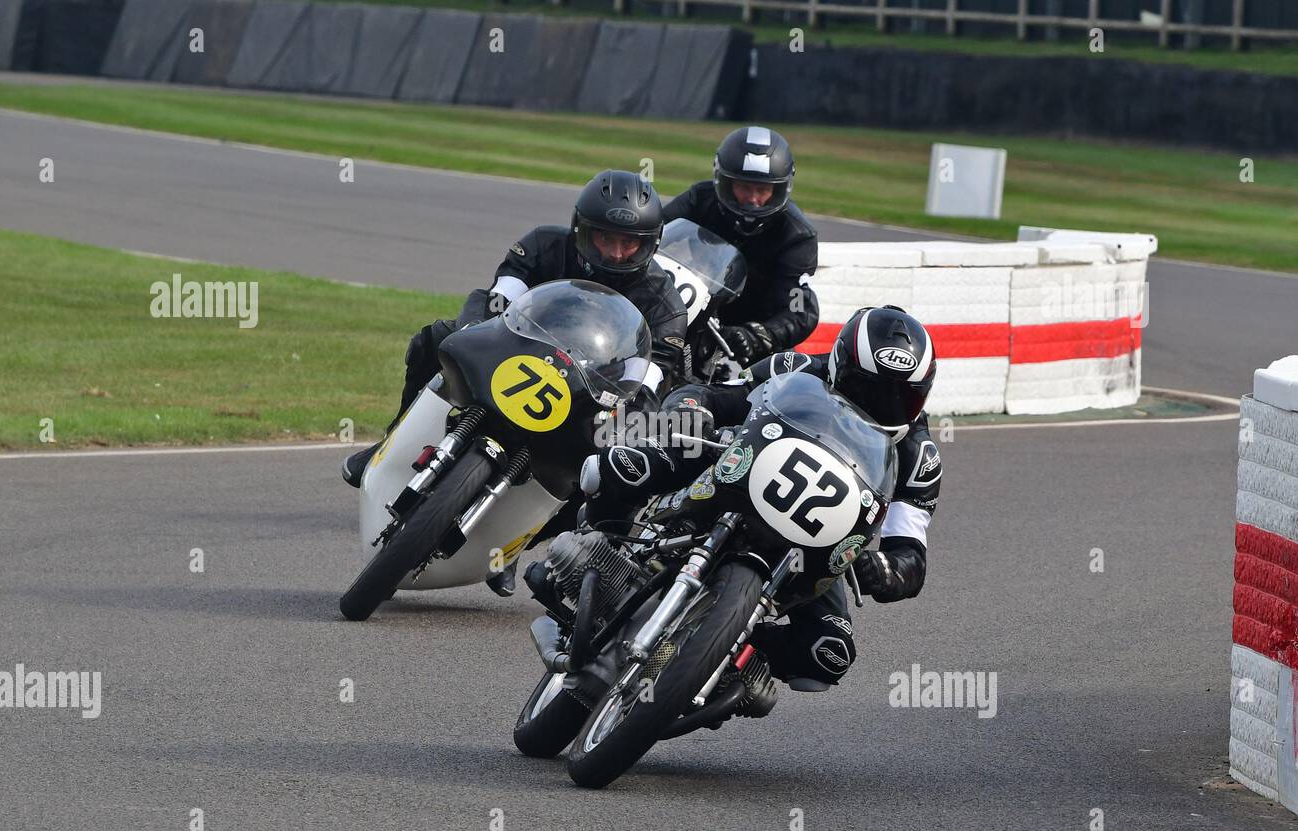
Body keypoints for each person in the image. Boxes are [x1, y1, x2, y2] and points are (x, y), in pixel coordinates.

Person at [580, 306, 941, 693]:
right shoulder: (794, 367)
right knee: (616, 467)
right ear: (839, 365)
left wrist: (885, 570)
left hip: (812, 548)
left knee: (827, 653)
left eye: (900, 397)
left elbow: (911, 557)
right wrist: (693, 411)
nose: (880, 405)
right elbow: (713, 396)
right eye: (869, 388)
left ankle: (723, 660)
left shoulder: (919, 459)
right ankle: (592, 551)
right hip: (735, 472)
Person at [341, 169, 688, 489]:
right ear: (582, 230)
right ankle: (392, 444)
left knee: (629, 448)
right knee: (436, 337)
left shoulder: (666, 304)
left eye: (629, 243)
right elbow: (499, 300)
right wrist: (473, 330)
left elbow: (648, 379)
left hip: (592, 393)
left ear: (649, 243)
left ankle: (576, 542)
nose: (616, 253)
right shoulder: (544, 245)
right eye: (605, 239)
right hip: (521, 351)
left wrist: (625, 410)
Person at [662, 126, 819, 370]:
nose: (753, 199)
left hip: (751, 349)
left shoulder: (797, 235)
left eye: (763, 190)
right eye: (745, 187)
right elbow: (651, 233)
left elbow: (799, 311)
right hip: (691, 323)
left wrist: (759, 335)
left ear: (779, 189)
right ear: (724, 181)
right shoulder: (699, 200)